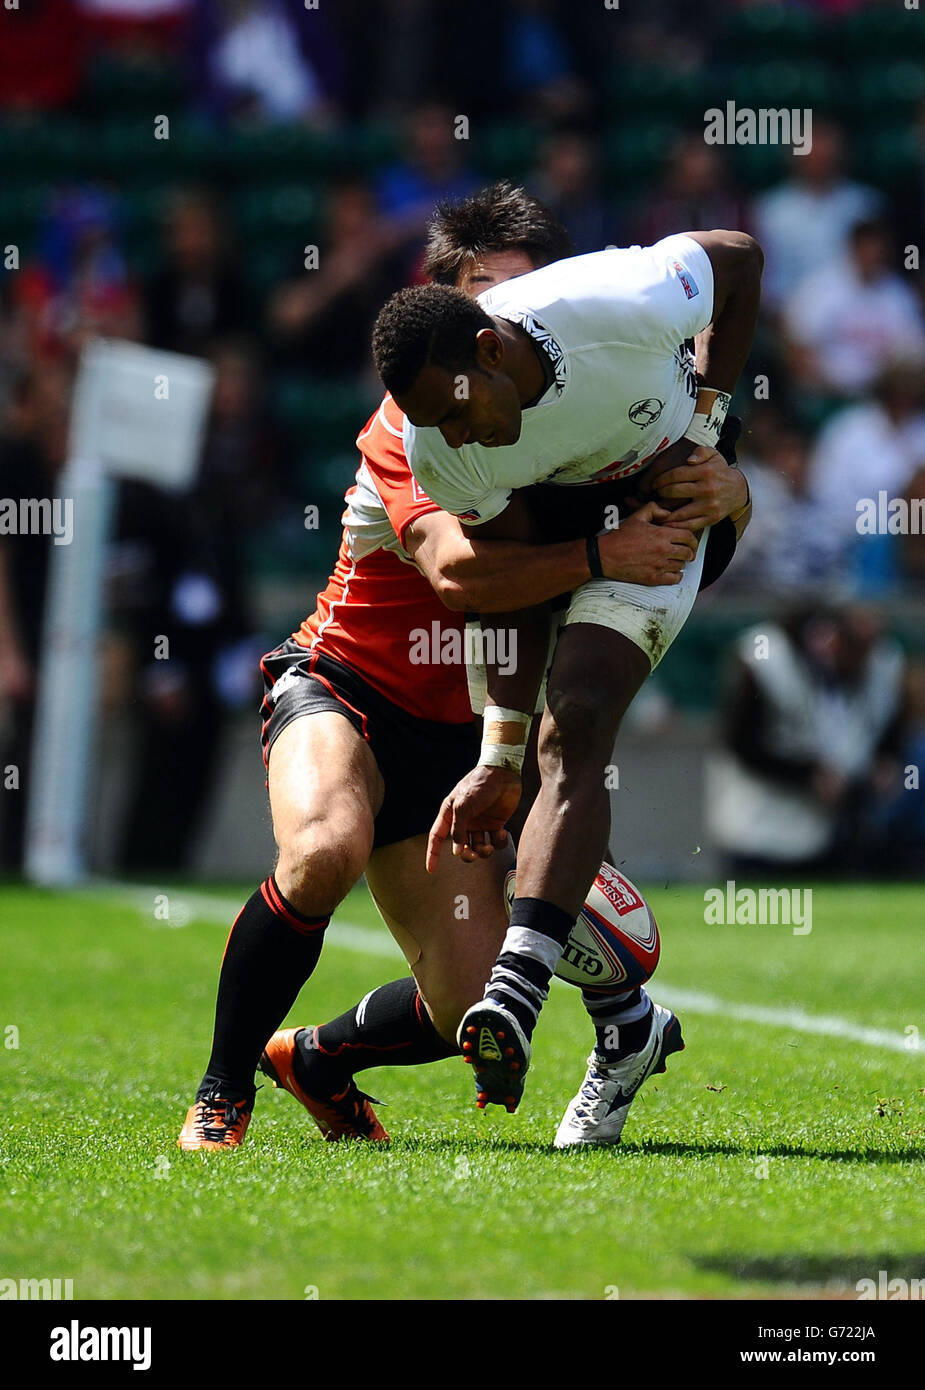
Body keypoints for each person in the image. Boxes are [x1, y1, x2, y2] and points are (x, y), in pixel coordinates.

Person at [177, 184, 698, 1151]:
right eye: (487, 294)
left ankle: (316, 1057)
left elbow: (688, 476)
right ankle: (220, 1094)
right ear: (451, 313)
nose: (508, 317)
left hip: (457, 742)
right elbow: (461, 576)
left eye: (527, 292)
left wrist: (725, 476)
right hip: (345, 683)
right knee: (324, 849)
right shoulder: (411, 425)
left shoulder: (574, 409)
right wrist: (601, 556)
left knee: (470, 1008)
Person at [374, 227, 761, 1113]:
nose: (459, 435)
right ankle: (628, 1029)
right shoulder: (436, 442)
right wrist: (496, 757)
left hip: (661, 509)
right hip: (569, 538)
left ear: (489, 341)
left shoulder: (621, 306)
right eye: (440, 423)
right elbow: (495, 587)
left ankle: (515, 992)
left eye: (463, 410)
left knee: (579, 718)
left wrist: (711, 431)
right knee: (539, 757)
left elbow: (737, 256)